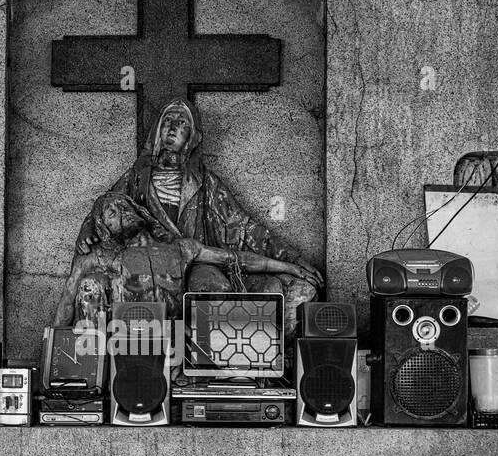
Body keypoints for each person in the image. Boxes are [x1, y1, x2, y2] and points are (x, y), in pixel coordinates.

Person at [73, 97, 322, 331]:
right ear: (157, 130)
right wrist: (87, 231)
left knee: (215, 289)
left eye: (182, 123)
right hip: (146, 261)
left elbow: (243, 226)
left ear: (191, 136)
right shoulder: (137, 177)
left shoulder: (204, 182)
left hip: (195, 261)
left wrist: (291, 258)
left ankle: (208, 362)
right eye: (167, 121)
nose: (172, 128)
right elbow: (104, 207)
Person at [54, 192, 318, 327]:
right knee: (90, 285)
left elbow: (235, 259)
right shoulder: (99, 257)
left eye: (124, 207)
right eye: (111, 213)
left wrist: (291, 266)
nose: (121, 213)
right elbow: (67, 301)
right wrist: (56, 354)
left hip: (178, 338)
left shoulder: (181, 248)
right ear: (103, 229)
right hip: (128, 342)